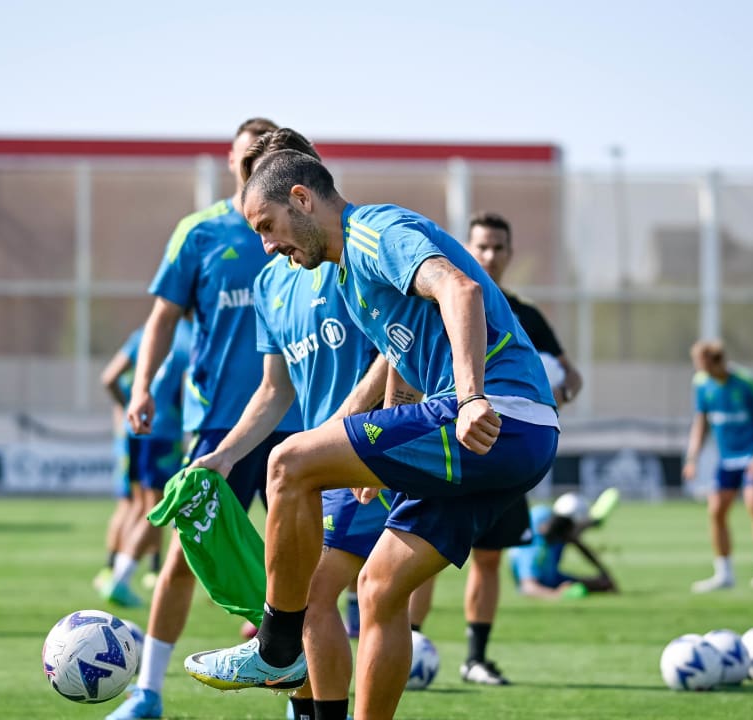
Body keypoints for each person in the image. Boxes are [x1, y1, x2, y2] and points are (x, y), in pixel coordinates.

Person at [184, 146, 560, 720]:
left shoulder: (374, 232)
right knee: (380, 588)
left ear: (302, 199)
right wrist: (380, 456)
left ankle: (277, 648)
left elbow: (459, 290)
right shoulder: (347, 274)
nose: (267, 245)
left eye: (267, 225)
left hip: (499, 418)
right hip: (512, 435)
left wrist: (470, 398)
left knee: (286, 463)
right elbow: (405, 356)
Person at [186, 127, 388, 720]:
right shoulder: (270, 282)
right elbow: (275, 390)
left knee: (312, 596)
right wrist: (224, 455)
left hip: (369, 455)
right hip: (315, 470)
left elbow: (400, 346)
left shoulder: (353, 254)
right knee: (340, 602)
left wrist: (363, 419)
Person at [107, 118, 304, 720]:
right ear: (231, 162)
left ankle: (308, 701)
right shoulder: (200, 233)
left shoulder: (306, 229)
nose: (255, 170)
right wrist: (143, 385)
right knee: (181, 560)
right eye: (247, 160)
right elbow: (163, 317)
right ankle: (147, 693)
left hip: (303, 421)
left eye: (266, 160)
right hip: (221, 425)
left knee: (312, 571)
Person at [407, 211, 584, 685]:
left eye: (497, 247)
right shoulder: (442, 299)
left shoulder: (525, 314)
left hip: (505, 453)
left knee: (489, 557)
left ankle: (476, 659)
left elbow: (572, 377)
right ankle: (407, 647)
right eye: (481, 246)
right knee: (420, 552)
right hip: (447, 445)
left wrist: (554, 392)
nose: (489, 255)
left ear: (509, 253)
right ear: (467, 248)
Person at [93, 318, 192, 607]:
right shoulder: (192, 336)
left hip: (135, 428)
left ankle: (115, 569)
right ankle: (120, 579)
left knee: (136, 504)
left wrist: (128, 407)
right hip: (164, 433)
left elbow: (109, 377)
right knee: (156, 508)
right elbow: (189, 390)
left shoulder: (145, 333)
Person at [683, 339, 753, 592]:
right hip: (726, 459)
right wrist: (692, 458)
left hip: (750, 455)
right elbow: (701, 422)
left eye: (703, 364)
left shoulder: (746, 382)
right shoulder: (701, 383)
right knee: (716, 511)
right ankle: (724, 574)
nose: (699, 369)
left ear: (716, 361)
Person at [507, 503, 617, 599]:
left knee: (601, 584)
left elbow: (579, 545)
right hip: (543, 583)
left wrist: (604, 574)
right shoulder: (533, 549)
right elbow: (528, 587)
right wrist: (556, 594)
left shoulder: (545, 516)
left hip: (554, 578)